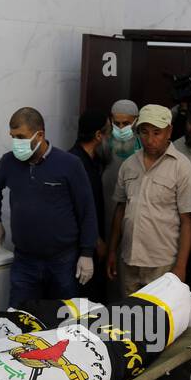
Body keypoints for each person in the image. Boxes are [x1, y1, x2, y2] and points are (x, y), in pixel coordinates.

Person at [0, 107, 98, 306]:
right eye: (13, 137)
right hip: (24, 260)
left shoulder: (69, 164)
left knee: (64, 320)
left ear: (40, 135)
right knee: (19, 316)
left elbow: (87, 210)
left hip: (63, 261)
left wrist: (87, 253)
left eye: (21, 137)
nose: (16, 143)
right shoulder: (8, 162)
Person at [107, 104, 191, 295]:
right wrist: (112, 251)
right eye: (145, 132)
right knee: (130, 318)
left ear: (169, 131)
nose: (150, 140)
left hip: (162, 264)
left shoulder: (182, 168)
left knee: (157, 321)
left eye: (157, 133)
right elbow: (121, 209)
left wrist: (181, 267)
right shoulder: (129, 165)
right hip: (129, 259)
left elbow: (187, 221)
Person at [69, 108, 111, 301]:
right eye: (108, 133)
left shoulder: (92, 162)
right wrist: (97, 241)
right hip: (81, 250)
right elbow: (81, 209)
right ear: (98, 135)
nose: (110, 140)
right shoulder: (77, 164)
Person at [100, 98, 142, 214]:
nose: (121, 127)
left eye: (126, 123)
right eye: (117, 123)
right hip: (108, 203)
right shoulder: (104, 144)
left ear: (136, 121)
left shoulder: (143, 145)